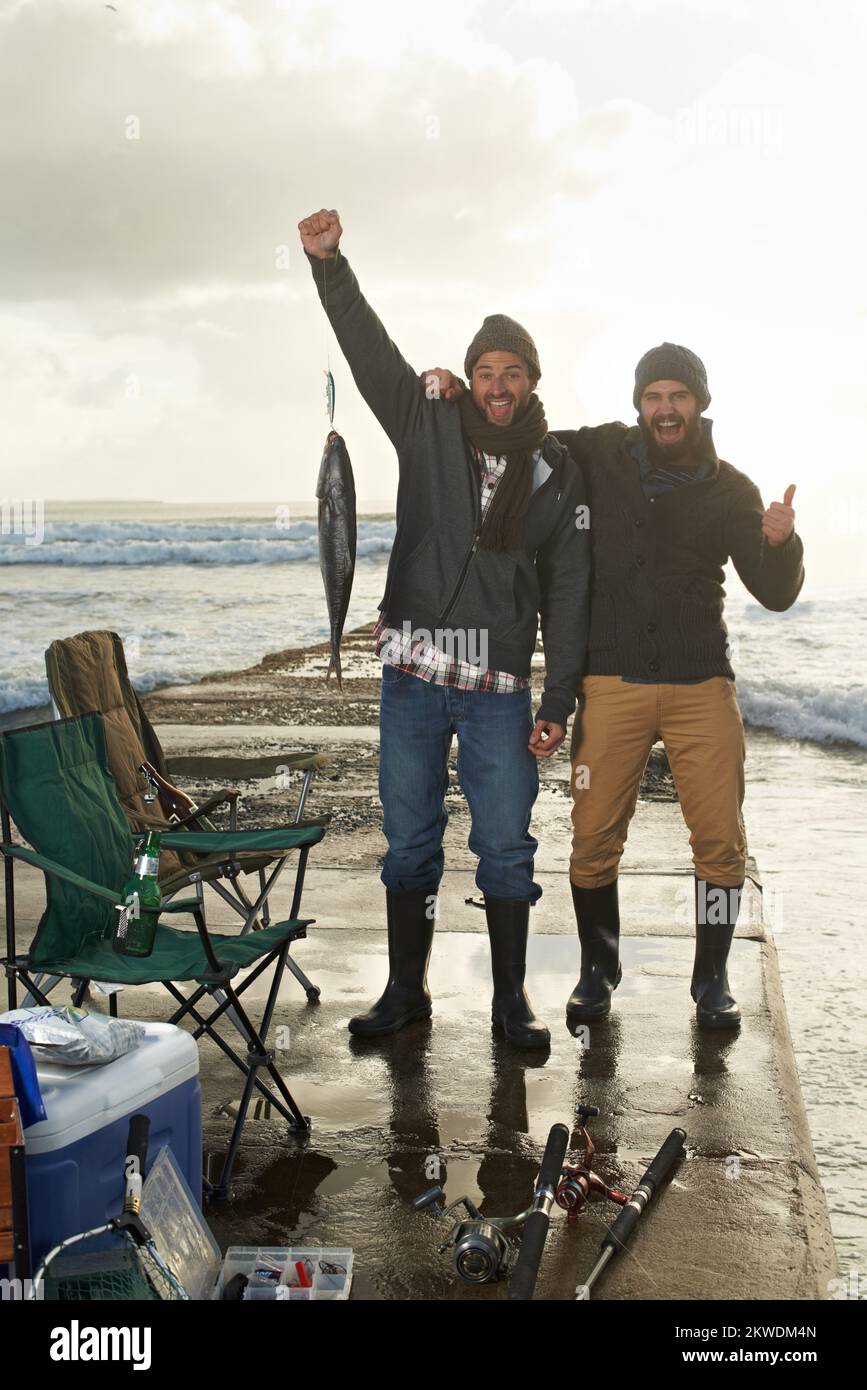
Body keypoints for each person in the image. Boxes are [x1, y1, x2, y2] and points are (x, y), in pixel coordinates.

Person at [423, 344, 804, 1028]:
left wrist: (781, 545)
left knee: (719, 843)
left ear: (698, 404)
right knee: (593, 837)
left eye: (678, 397)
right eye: (654, 395)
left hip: (699, 684)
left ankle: (711, 979)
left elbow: (773, 593)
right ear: (639, 403)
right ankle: (598, 970)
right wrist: (462, 397)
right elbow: (517, 434)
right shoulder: (597, 455)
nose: (665, 408)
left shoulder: (731, 489)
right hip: (610, 682)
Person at [298, 208, 590, 1047]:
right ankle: (404, 992)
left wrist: (558, 698)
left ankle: (508, 1003)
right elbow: (368, 350)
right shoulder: (424, 420)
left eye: (512, 372)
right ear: (469, 375)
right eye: (485, 370)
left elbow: (568, 589)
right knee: (409, 842)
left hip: (498, 687)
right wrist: (328, 263)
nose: (497, 384)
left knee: (505, 846)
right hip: (414, 673)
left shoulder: (554, 468)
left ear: (531, 381)